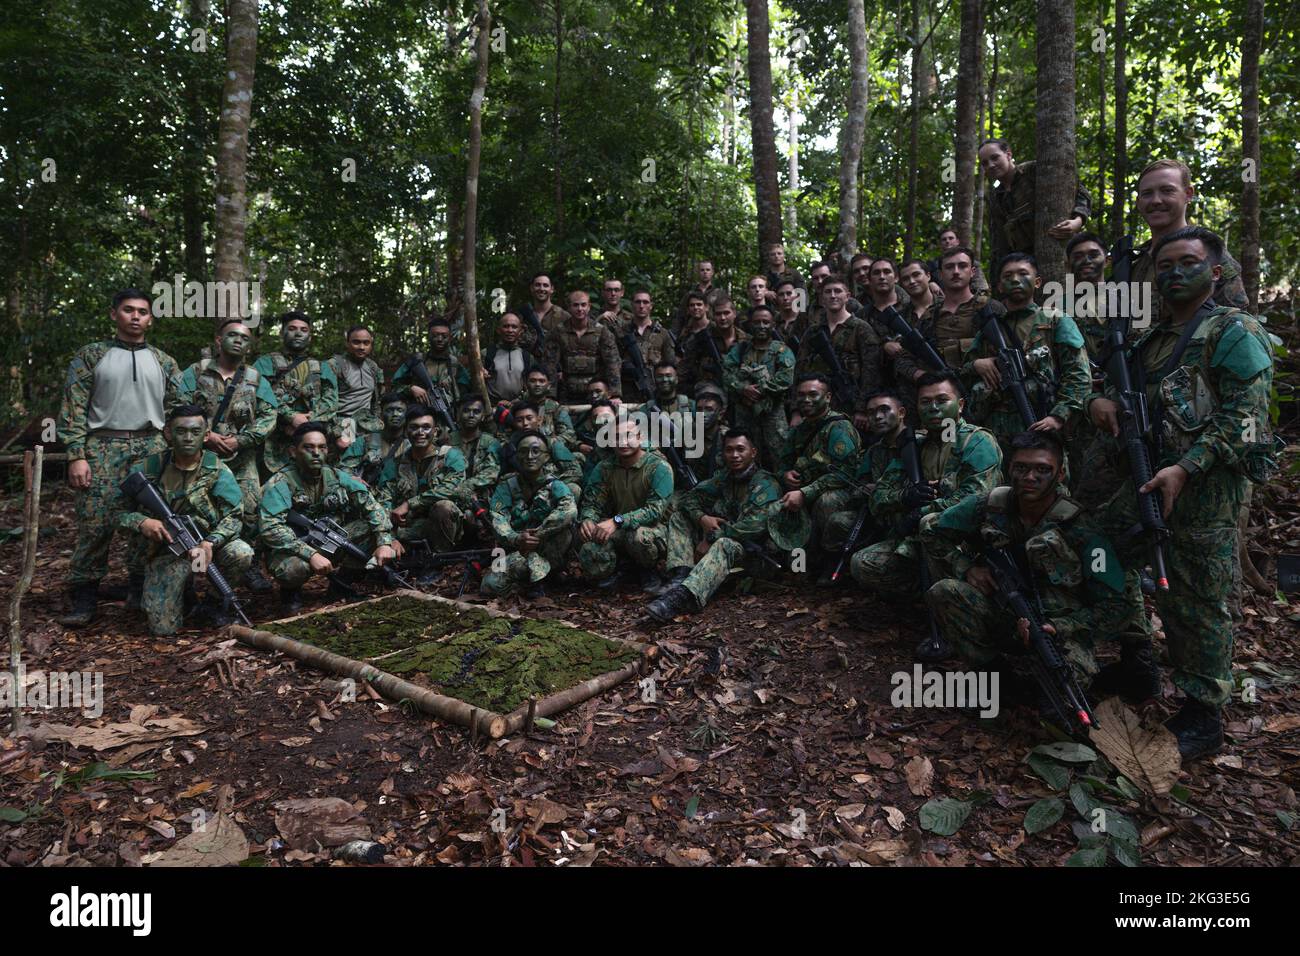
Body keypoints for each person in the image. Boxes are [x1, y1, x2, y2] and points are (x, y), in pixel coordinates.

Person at [1088, 226, 1275, 758]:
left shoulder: (1232, 330)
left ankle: (1203, 711)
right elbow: (1116, 390)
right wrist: (1098, 403)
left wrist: (1188, 467)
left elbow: (1250, 420)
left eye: (1188, 262)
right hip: (1150, 482)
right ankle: (1137, 657)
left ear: (1215, 272)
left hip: (1207, 491)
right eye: (1164, 265)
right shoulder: (1150, 341)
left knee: (1201, 599)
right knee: (1098, 547)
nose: (1174, 273)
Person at [922, 431, 1132, 718]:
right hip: (1002, 611)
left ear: (1059, 474)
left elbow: (1117, 606)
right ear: (1010, 468)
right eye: (1021, 468)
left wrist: (1064, 626)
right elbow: (933, 531)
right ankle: (994, 677)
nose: (1030, 477)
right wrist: (967, 567)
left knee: (1061, 691)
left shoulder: (1082, 530)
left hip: (1055, 629)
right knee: (945, 592)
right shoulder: (990, 505)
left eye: (1042, 470)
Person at [850, 373, 1002, 655]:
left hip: (966, 539)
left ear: (960, 405)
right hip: (918, 539)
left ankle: (950, 624)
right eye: (926, 402)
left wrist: (923, 510)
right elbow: (879, 498)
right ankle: (927, 602)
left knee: (932, 524)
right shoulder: (914, 445)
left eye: (942, 400)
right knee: (864, 563)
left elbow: (974, 501)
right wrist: (904, 496)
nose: (933, 408)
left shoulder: (977, 442)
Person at [58, 289, 183, 626]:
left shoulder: (165, 361)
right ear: (114, 314)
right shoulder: (91, 356)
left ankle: (138, 588)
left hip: (151, 447)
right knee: (95, 522)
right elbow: (73, 409)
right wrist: (76, 455)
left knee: (151, 520)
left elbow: (177, 411)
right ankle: (84, 597)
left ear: (150, 319)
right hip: (102, 445)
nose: (135, 317)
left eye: (142, 311)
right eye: (128, 310)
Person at [118, 405, 254, 634]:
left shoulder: (218, 470)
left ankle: (211, 605)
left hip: (204, 548)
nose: (188, 438)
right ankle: (183, 593)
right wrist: (142, 522)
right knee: (163, 630)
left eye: (195, 431)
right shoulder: (148, 468)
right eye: (181, 431)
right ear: (168, 433)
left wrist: (211, 541)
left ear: (207, 434)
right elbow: (116, 513)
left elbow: (234, 516)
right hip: (163, 551)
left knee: (241, 552)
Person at [176, 318, 279, 591]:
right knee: (195, 508)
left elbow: (270, 415)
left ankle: (247, 566)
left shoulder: (256, 379)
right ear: (219, 340)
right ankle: (193, 569)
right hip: (199, 456)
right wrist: (207, 437)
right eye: (232, 335)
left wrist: (242, 440)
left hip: (243, 458)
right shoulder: (195, 373)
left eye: (245, 338)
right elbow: (176, 408)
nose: (239, 341)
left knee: (249, 509)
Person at [258, 421, 398, 615]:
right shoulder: (280, 482)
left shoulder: (337, 476)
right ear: (293, 451)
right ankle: (291, 594)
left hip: (328, 539)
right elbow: (270, 529)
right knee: (293, 570)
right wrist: (311, 554)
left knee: (371, 530)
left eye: (321, 447)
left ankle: (341, 583)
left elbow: (372, 507)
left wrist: (384, 541)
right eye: (308, 447)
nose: (316, 453)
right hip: (292, 548)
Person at [963, 253, 1092, 463]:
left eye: (1023, 274)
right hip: (993, 431)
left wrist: (1058, 416)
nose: (1015, 280)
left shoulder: (1055, 320)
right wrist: (977, 365)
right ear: (1000, 286)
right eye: (1008, 276)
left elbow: (1078, 374)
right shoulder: (990, 327)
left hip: (1041, 421)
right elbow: (961, 374)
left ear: (1038, 282)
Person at [647, 428, 783, 621]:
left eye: (740, 449)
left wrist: (711, 537)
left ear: (753, 452)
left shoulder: (766, 485)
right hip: (728, 549)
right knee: (680, 517)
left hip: (757, 556)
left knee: (724, 544)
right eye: (729, 450)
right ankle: (681, 575)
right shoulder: (725, 478)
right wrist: (703, 519)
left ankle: (682, 598)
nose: (734, 455)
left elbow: (753, 527)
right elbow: (689, 498)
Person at [1126, 159, 1249, 320]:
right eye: (1147, 194)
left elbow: (1238, 323)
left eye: (1167, 190)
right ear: (1138, 202)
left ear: (1188, 194)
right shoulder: (1135, 263)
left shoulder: (1207, 254)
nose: (1156, 200)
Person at [776, 374, 863, 584]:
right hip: (805, 490)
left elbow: (845, 473)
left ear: (828, 397)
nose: (806, 400)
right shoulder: (799, 430)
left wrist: (806, 492)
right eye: (801, 395)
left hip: (839, 491)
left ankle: (831, 562)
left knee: (826, 502)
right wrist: (785, 475)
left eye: (813, 394)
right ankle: (804, 563)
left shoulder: (839, 427)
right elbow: (782, 462)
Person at [577, 417, 674, 592]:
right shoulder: (604, 468)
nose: (622, 442)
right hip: (619, 526)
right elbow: (592, 502)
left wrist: (617, 521)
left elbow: (654, 512)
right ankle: (622, 568)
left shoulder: (659, 467)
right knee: (591, 539)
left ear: (640, 437)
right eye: (616, 437)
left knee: (638, 537)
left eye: (628, 436)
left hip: (655, 529)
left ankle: (647, 570)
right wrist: (588, 519)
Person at [480, 430, 579, 600]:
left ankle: (548, 572)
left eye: (536, 451)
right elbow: (498, 517)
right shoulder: (507, 485)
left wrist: (537, 535)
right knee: (489, 586)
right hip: (518, 549)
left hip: (549, 546)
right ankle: (536, 575)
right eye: (523, 452)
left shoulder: (556, 484)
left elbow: (569, 510)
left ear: (546, 457)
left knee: (566, 530)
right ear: (517, 457)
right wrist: (516, 538)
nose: (530, 456)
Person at [978, 138, 1092, 269]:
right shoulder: (996, 197)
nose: (991, 165)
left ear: (1008, 155)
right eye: (985, 163)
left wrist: (1078, 221)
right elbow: (1000, 242)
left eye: (995, 158)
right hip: (1027, 265)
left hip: (1061, 253)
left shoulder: (1033, 171)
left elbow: (1080, 190)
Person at [373, 405, 470, 554]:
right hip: (408, 527)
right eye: (414, 427)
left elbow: (452, 489)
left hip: (446, 524)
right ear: (406, 431)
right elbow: (384, 501)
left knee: (444, 507)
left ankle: (440, 559)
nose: (420, 432)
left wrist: (409, 504)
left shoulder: (451, 456)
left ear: (435, 431)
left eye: (426, 427)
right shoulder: (395, 464)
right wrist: (389, 538)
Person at [254, 312, 339, 478]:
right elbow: (259, 397)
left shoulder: (322, 367)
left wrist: (307, 423)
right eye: (292, 328)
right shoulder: (264, 364)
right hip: (273, 442)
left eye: (303, 329)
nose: (298, 333)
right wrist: (291, 417)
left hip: (312, 442)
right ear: (282, 332)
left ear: (310, 336)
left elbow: (331, 401)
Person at [793, 274, 883, 427]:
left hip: (850, 406)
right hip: (814, 405)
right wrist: (796, 410)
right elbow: (799, 370)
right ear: (821, 298)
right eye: (828, 292)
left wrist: (862, 409)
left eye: (837, 291)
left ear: (847, 296)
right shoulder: (813, 332)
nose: (833, 295)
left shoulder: (861, 329)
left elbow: (872, 371)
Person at [722, 305, 794, 471]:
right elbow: (726, 374)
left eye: (766, 322)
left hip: (773, 412)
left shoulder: (781, 350)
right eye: (757, 322)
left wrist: (760, 390)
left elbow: (785, 378)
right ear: (750, 325)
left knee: (779, 454)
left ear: (773, 325)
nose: (761, 326)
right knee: (745, 452)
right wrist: (743, 388)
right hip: (745, 411)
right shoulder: (740, 349)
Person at [545, 289, 623, 402]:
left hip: (596, 392)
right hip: (566, 392)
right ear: (569, 308)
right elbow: (549, 365)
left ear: (589, 306)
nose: (580, 309)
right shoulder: (557, 332)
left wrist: (615, 394)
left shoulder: (602, 332)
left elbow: (612, 363)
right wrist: (550, 396)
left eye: (583, 305)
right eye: (575, 305)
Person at [329, 325, 385, 474]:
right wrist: (337, 432)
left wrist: (377, 422)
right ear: (347, 343)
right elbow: (324, 404)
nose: (361, 347)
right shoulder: (336, 365)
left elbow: (377, 401)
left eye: (366, 343)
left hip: (368, 424)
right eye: (356, 342)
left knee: (372, 468)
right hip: (346, 423)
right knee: (345, 470)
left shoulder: (373, 367)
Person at [503, 401, 583, 496]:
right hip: (523, 492)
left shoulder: (552, 443)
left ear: (539, 420)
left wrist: (549, 486)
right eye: (519, 420)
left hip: (550, 491)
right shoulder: (510, 446)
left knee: (573, 488)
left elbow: (575, 471)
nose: (525, 423)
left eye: (529, 418)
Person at [392, 315, 469, 406]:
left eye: (444, 336)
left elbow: (467, 392)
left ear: (450, 338)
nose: (440, 339)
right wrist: (411, 389)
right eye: (435, 335)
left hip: (448, 414)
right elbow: (395, 386)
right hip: (419, 413)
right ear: (429, 336)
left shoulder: (454, 364)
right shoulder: (417, 361)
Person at [681, 295, 748, 393]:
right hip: (709, 390)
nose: (722, 318)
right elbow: (685, 369)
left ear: (734, 314)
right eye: (718, 314)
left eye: (726, 313)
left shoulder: (746, 340)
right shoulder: (700, 339)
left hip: (740, 389)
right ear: (713, 316)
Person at [619, 290, 676, 403]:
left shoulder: (662, 333)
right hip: (627, 390)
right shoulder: (621, 331)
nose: (641, 306)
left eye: (645, 302)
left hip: (655, 389)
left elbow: (670, 363)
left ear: (651, 306)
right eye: (638, 302)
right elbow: (613, 360)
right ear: (632, 305)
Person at [448, 394, 503, 508]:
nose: (471, 415)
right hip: (449, 495)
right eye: (466, 411)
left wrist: (466, 486)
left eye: (476, 412)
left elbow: (492, 472)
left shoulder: (491, 442)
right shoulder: (447, 441)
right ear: (458, 414)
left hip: (480, 497)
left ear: (483, 416)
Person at [521, 366, 579, 450]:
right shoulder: (516, 406)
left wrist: (546, 443)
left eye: (542, 381)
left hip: (548, 451)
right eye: (533, 381)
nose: (537, 384)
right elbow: (505, 435)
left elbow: (569, 434)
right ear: (525, 384)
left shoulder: (556, 408)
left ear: (548, 385)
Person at [483, 312, 536, 404]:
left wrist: (520, 399)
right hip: (493, 406)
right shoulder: (486, 354)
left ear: (520, 331)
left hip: (519, 407)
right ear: (498, 330)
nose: (510, 330)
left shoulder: (526, 357)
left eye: (514, 327)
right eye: (506, 326)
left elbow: (532, 384)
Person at [518, 272, 571, 354]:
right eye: (537, 285)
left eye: (545, 285)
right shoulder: (521, 316)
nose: (541, 289)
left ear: (552, 289)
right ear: (531, 288)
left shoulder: (564, 316)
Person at [929, 226, 989, 295]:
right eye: (944, 239)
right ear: (940, 244)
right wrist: (930, 284)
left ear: (957, 241)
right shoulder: (932, 265)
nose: (947, 241)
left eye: (951, 238)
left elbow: (981, 288)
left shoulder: (971, 262)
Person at [694, 384, 730, 481]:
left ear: (720, 414)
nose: (702, 414)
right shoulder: (689, 435)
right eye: (699, 409)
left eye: (709, 410)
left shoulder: (727, 438)